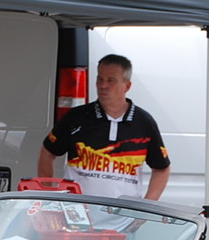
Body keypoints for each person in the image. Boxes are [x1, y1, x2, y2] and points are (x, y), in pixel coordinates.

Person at [37, 54, 171, 202]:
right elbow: (47, 152)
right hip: (77, 216)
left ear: (127, 86)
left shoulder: (144, 122)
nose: (103, 85)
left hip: (124, 220)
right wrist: (47, 194)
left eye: (111, 80)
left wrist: (147, 207)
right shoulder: (77, 117)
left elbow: (162, 169)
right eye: (99, 79)